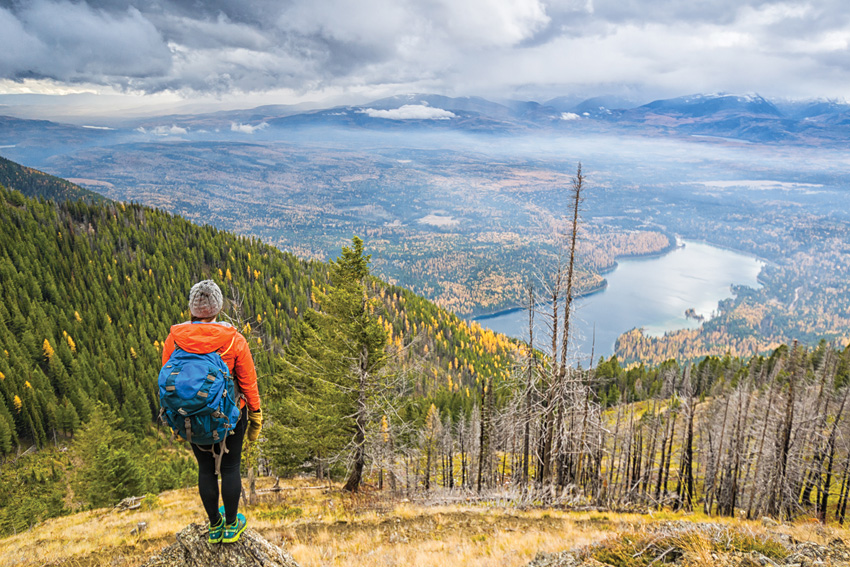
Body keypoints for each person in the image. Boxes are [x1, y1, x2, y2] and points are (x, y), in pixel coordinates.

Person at [162, 280, 263, 544]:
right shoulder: (233, 340)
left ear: (192, 309)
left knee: (206, 470)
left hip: (191, 418)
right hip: (230, 418)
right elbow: (248, 381)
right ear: (217, 307)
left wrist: (177, 420)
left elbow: (171, 382)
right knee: (230, 468)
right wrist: (255, 414)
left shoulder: (175, 338)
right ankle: (231, 526)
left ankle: (214, 525)